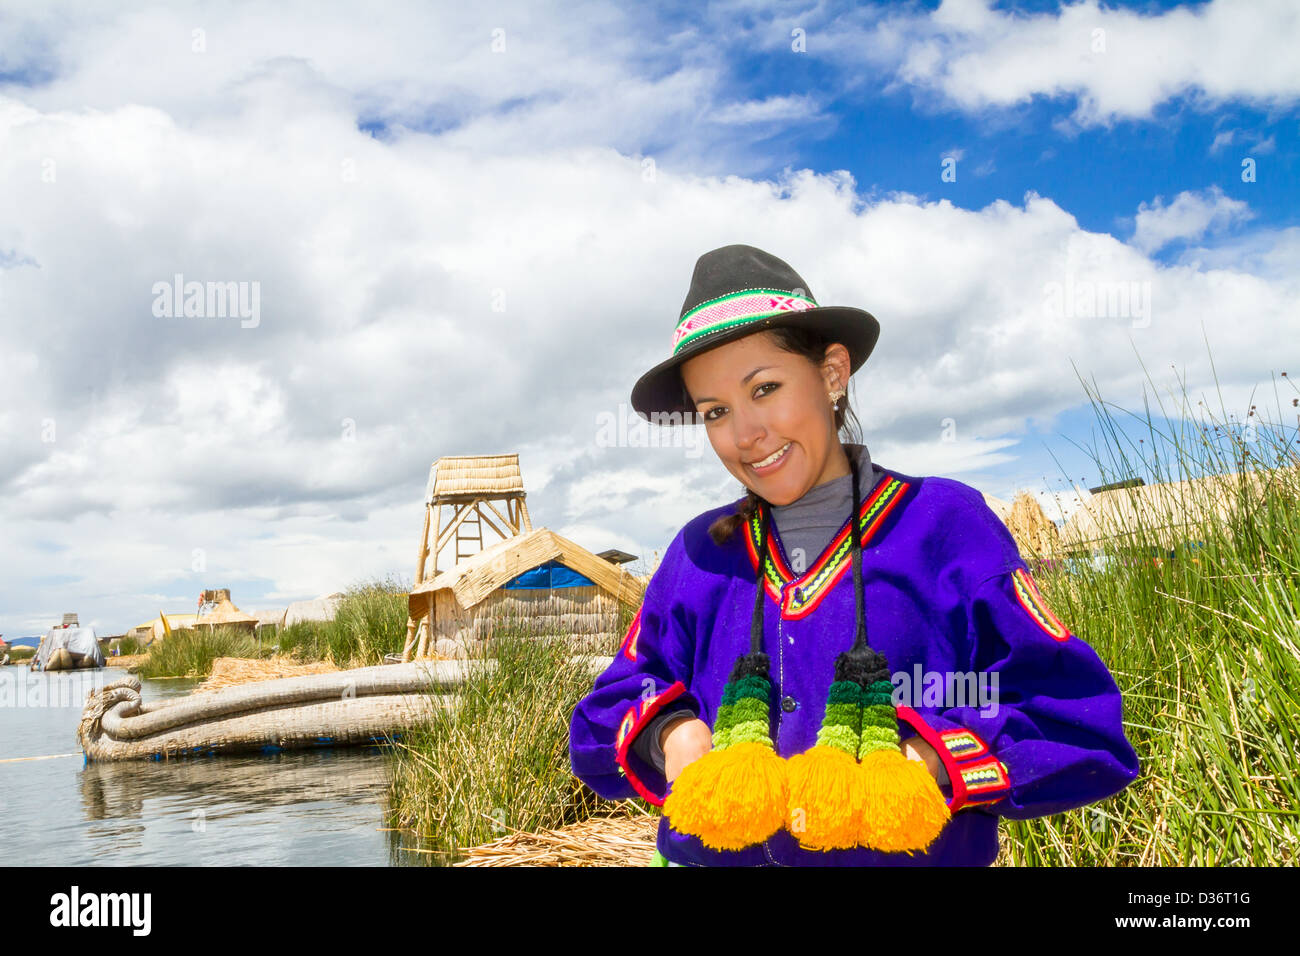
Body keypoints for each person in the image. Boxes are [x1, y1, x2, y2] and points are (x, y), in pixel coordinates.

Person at [568, 244, 1140, 866]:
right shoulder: (699, 556)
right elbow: (605, 713)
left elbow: (1073, 725)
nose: (744, 434)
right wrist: (673, 736)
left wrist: (925, 762)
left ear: (833, 374)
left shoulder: (945, 527)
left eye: (765, 388)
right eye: (715, 412)